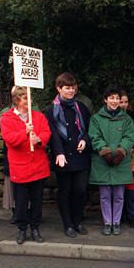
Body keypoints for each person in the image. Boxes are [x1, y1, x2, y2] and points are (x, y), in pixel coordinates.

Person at [0, 86, 51, 244]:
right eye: (25, 98)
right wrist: (25, 133)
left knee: (37, 201)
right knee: (21, 202)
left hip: (38, 167)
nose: (30, 101)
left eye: (29, 97)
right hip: (20, 168)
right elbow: (9, 139)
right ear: (16, 101)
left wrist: (39, 139)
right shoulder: (6, 118)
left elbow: (46, 132)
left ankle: (35, 228)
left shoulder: (39, 116)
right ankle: (22, 229)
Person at [44, 72, 92, 238]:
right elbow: (53, 134)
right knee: (65, 191)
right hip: (63, 157)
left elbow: (89, 129)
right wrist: (59, 153)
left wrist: (85, 141)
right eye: (67, 88)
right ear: (59, 88)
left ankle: (77, 221)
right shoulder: (51, 110)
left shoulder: (82, 108)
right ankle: (68, 224)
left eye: (73, 88)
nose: (71, 91)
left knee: (80, 190)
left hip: (80, 157)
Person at [88, 85, 134, 235]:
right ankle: (107, 222)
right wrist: (105, 152)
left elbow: (129, 136)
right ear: (105, 99)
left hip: (120, 162)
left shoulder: (126, 119)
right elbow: (94, 136)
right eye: (111, 98)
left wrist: (121, 152)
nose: (114, 101)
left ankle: (116, 222)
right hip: (102, 161)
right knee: (105, 195)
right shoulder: (96, 118)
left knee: (119, 195)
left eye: (117, 98)